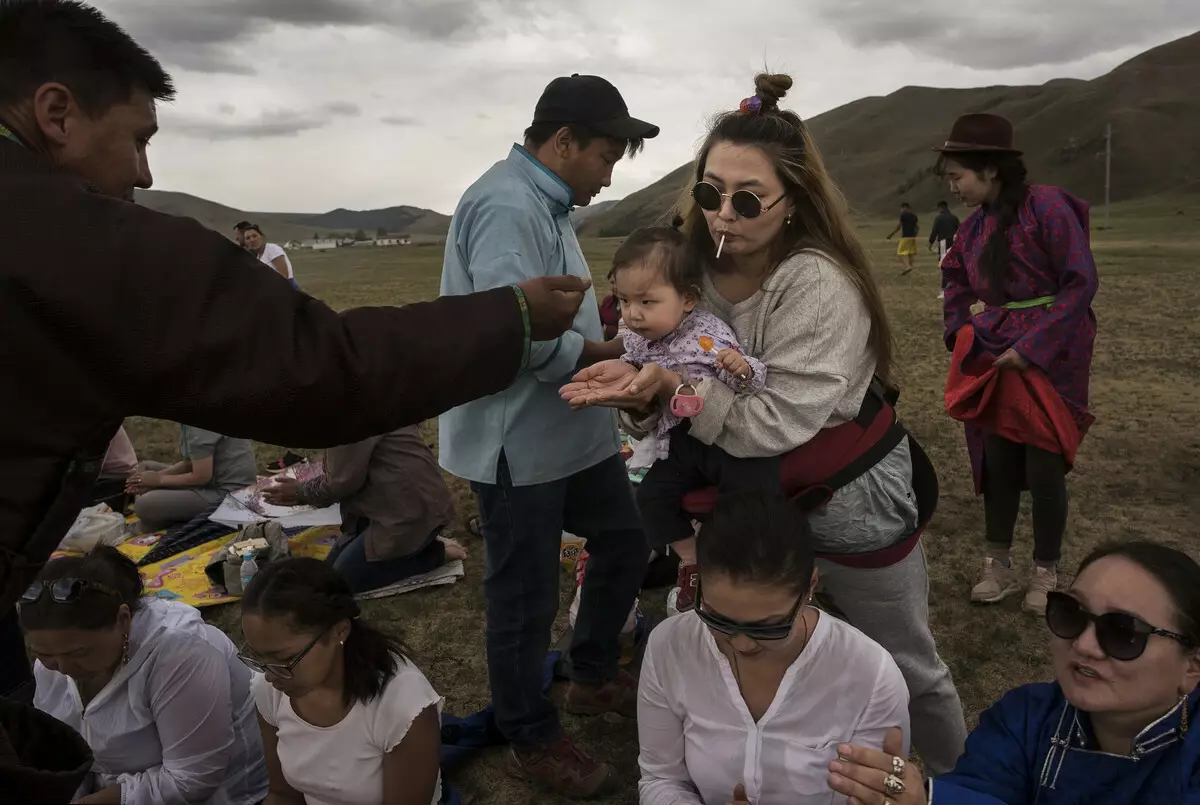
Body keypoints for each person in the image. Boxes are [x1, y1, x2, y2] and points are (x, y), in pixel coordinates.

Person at [0, 0, 587, 709]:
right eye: (136, 139)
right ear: (56, 112)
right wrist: (513, 313)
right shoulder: (66, 241)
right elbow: (324, 368)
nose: (147, 174)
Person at [561, 72, 967, 774]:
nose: (723, 214)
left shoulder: (817, 284)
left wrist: (673, 388)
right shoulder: (690, 272)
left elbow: (774, 421)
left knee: (903, 658)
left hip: (844, 498)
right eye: (708, 192)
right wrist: (637, 393)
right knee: (758, 646)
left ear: (792, 202)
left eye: (747, 199)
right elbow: (663, 383)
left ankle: (964, 780)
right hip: (737, 494)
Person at [438, 72, 658, 797]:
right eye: (605, 156)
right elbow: (523, 337)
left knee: (624, 539)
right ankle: (528, 734)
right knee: (524, 593)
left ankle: (590, 675)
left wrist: (602, 338)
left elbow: (553, 315)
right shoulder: (506, 205)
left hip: (569, 429)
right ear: (563, 142)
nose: (609, 173)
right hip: (517, 443)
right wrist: (608, 355)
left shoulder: (551, 202)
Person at [829, 540, 1200, 804]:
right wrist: (923, 799)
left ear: (1192, 666)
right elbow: (980, 790)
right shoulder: (1026, 718)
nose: (1085, 645)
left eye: (1123, 633)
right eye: (1070, 614)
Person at [638, 491, 910, 805]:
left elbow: (876, 796)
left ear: (810, 586)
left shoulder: (870, 675)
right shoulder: (670, 646)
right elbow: (662, 778)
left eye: (769, 626)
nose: (741, 643)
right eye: (717, 618)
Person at [936, 113, 1099, 615]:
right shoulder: (972, 229)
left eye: (958, 176)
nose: (954, 187)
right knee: (1000, 459)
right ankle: (997, 563)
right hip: (994, 351)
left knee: (1045, 463)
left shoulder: (1047, 207)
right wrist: (963, 332)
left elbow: (1080, 281)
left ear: (990, 170)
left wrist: (1032, 349)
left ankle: (1046, 571)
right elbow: (956, 280)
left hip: (1054, 352)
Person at [19, 546, 269, 805]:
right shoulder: (54, 660)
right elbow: (62, 750)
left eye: (79, 652)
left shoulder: (182, 655)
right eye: (43, 654)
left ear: (123, 619)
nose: (61, 667)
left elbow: (192, 780)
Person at [240, 557, 445, 805]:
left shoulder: (402, 706)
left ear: (340, 631)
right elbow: (283, 795)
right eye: (259, 656)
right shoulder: (270, 689)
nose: (271, 674)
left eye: (286, 658)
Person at [611, 226, 769, 532]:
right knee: (649, 500)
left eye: (646, 302)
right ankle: (689, 557)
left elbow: (749, 384)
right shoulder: (637, 338)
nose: (633, 315)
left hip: (721, 440)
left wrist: (742, 368)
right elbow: (633, 369)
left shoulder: (707, 336)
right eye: (624, 301)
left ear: (688, 299)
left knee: (747, 501)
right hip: (678, 444)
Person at [262, 425, 466, 594]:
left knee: (341, 582)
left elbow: (342, 483)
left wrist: (299, 492)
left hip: (410, 513)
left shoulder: (352, 416)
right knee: (328, 573)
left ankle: (433, 554)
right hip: (390, 508)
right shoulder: (364, 398)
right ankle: (415, 547)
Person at [126, 424, 257, 531]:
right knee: (145, 468)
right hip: (211, 482)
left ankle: (151, 524)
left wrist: (159, 480)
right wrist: (155, 477)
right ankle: (161, 516)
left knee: (145, 504)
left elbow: (201, 476)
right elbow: (190, 464)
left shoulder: (199, 425)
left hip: (232, 496)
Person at [887, 201, 919, 274]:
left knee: (901, 253)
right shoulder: (914, 216)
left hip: (905, 237)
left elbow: (899, 226)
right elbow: (917, 227)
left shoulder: (903, 215)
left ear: (905, 207)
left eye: (901, 208)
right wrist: (914, 235)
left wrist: (891, 234)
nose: (901, 210)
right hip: (912, 237)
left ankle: (908, 267)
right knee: (910, 253)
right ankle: (910, 267)